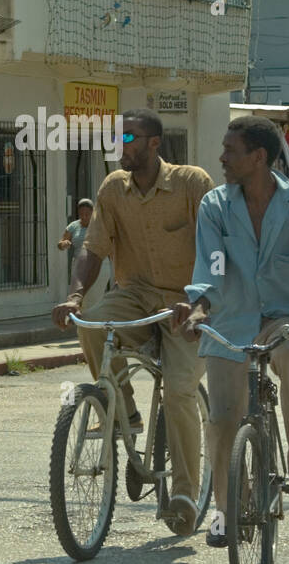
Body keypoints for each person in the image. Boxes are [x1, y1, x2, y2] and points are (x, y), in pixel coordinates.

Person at [173, 116, 289, 548]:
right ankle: (227, 514)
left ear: (258, 157)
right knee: (223, 421)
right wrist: (200, 308)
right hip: (228, 319)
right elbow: (211, 265)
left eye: (230, 151)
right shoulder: (215, 206)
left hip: (282, 318)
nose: (221, 158)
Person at [51, 109, 213, 537]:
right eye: (115, 135)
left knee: (179, 390)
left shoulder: (191, 183)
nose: (118, 143)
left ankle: (184, 495)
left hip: (187, 302)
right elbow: (93, 248)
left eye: (127, 135)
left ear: (154, 143)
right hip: (135, 295)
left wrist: (203, 302)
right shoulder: (113, 188)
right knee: (92, 324)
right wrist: (73, 297)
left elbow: (218, 247)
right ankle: (126, 410)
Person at [58, 199, 94, 285]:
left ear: (93, 212)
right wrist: (64, 244)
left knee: (93, 297)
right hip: (78, 265)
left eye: (87, 214)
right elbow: (60, 244)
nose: (84, 217)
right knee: (78, 295)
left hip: (96, 266)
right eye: (81, 214)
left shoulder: (99, 226)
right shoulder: (73, 226)